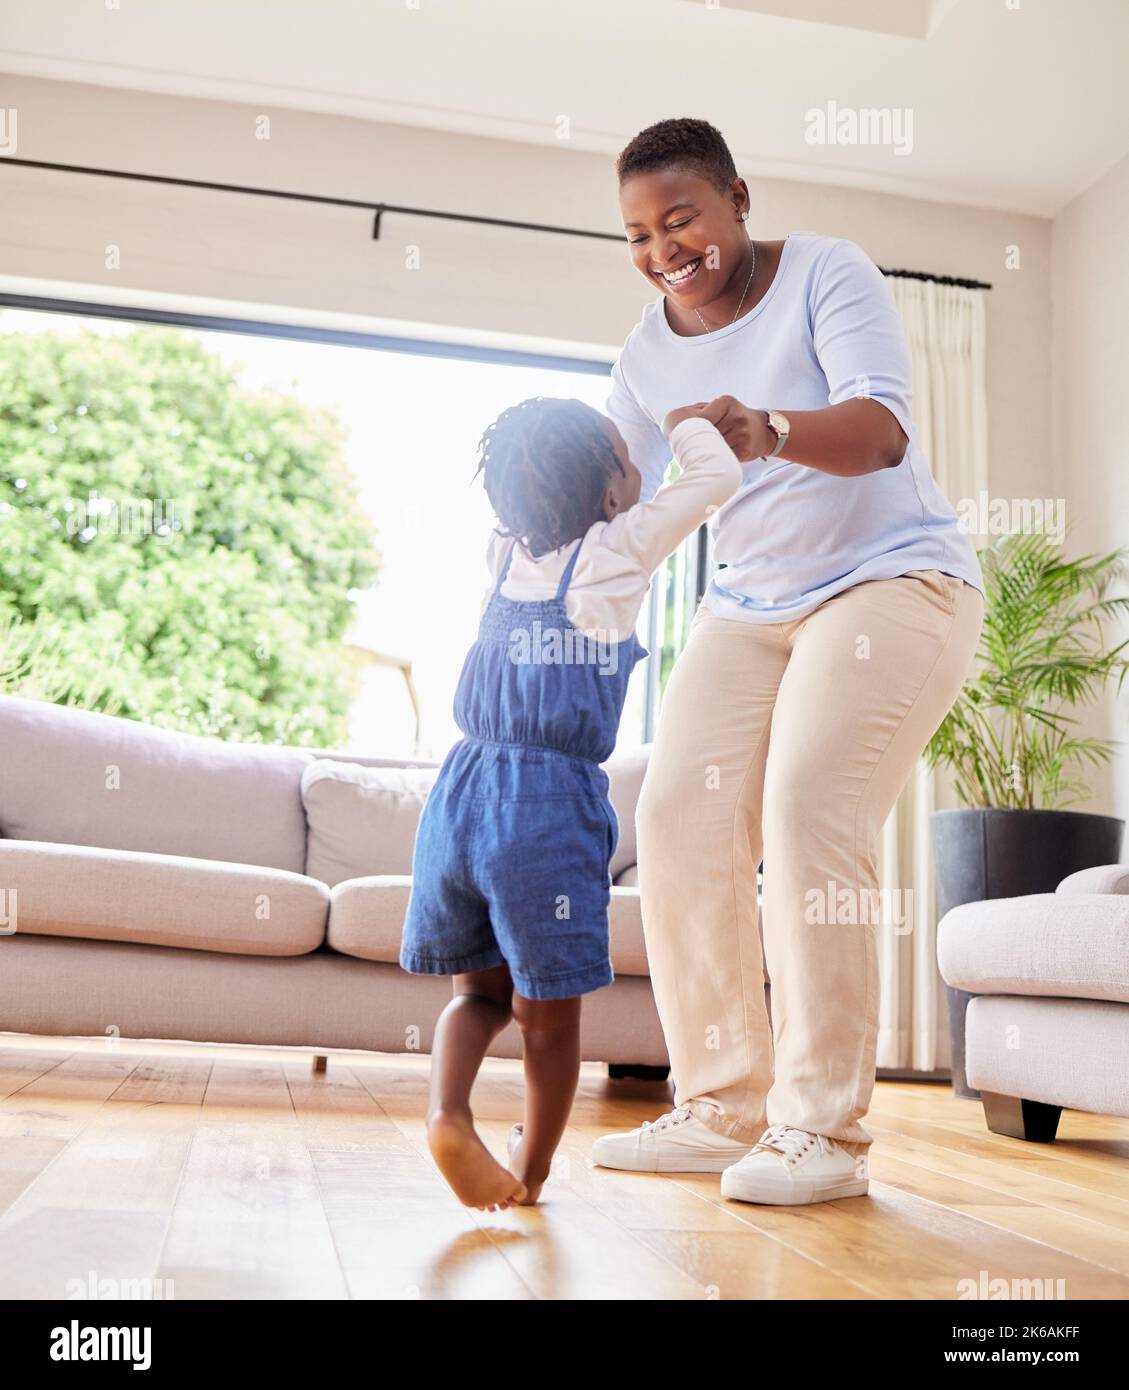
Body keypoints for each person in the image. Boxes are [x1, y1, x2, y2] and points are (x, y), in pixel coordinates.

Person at [591, 117, 985, 1206]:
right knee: (676, 814)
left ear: (736, 200)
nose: (664, 249)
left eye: (681, 219)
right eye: (636, 233)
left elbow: (880, 434)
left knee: (811, 802)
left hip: (892, 580)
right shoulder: (643, 347)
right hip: (749, 600)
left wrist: (763, 427)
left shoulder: (825, 271)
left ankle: (825, 1132)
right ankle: (722, 1106)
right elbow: (620, 493)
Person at [400, 394, 741, 1210]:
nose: (639, 470)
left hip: (460, 793)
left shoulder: (500, 553)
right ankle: (531, 1171)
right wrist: (688, 420)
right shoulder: (611, 556)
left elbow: (564, 486)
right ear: (610, 494)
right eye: (627, 463)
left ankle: (448, 1114)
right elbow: (716, 477)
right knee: (546, 1016)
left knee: (476, 997)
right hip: (542, 808)